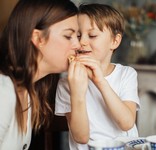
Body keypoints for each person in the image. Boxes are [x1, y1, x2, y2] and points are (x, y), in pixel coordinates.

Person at [55, 3, 140, 150]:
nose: (82, 42)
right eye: (78, 35)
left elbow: (127, 123)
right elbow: (81, 138)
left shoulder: (126, 74)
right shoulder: (67, 83)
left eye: (92, 35)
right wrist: (77, 92)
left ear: (115, 41)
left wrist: (100, 81)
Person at [0, 0, 80, 149]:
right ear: (37, 38)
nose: (78, 45)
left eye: (78, 36)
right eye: (68, 36)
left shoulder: (28, 92)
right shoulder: (4, 90)